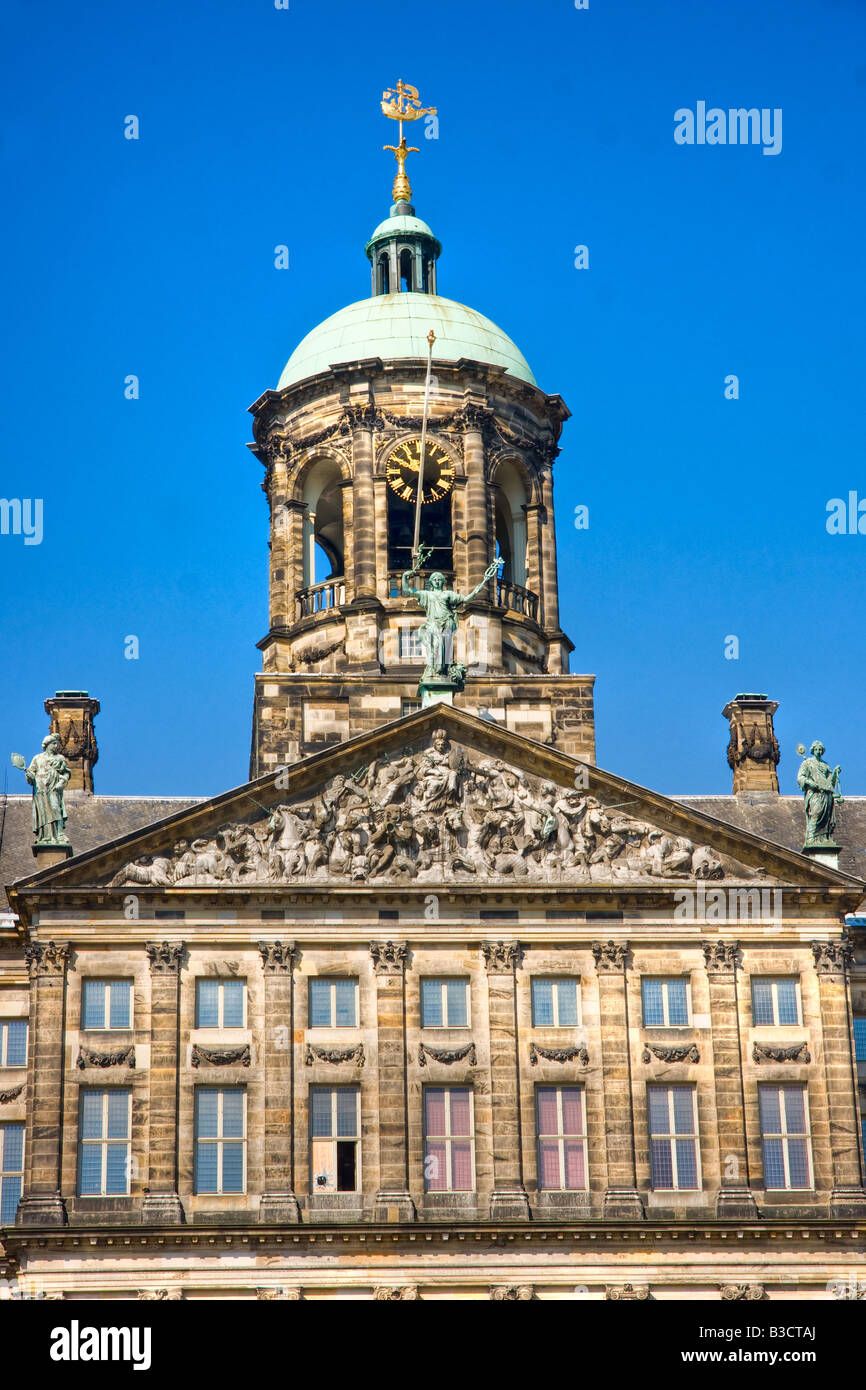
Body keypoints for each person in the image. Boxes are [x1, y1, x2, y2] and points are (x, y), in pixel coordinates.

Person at [402, 555, 499, 680]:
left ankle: (443, 672)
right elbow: (407, 590)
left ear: (443, 582)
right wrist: (405, 576)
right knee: (436, 646)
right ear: (431, 582)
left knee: (446, 648)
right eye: (435, 579)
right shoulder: (426, 594)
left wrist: (475, 591)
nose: (437, 581)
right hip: (433, 624)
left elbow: (464, 599)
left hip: (447, 622)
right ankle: (435, 671)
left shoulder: (448, 594)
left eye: (439, 579)